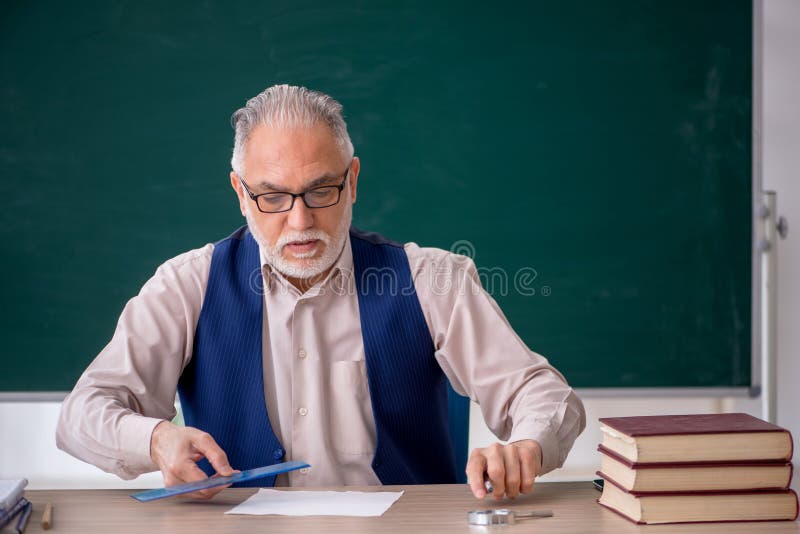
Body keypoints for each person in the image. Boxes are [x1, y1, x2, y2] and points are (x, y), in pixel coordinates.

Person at [56, 84, 585, 501]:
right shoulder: (185, 285)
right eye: (272, 197)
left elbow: (542, 394)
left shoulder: (433, 279)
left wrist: (525, 447)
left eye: (321, 191)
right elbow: (83, 414)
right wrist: (156, 440)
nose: (300, 220)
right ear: (240, 193)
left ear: (352, 181)